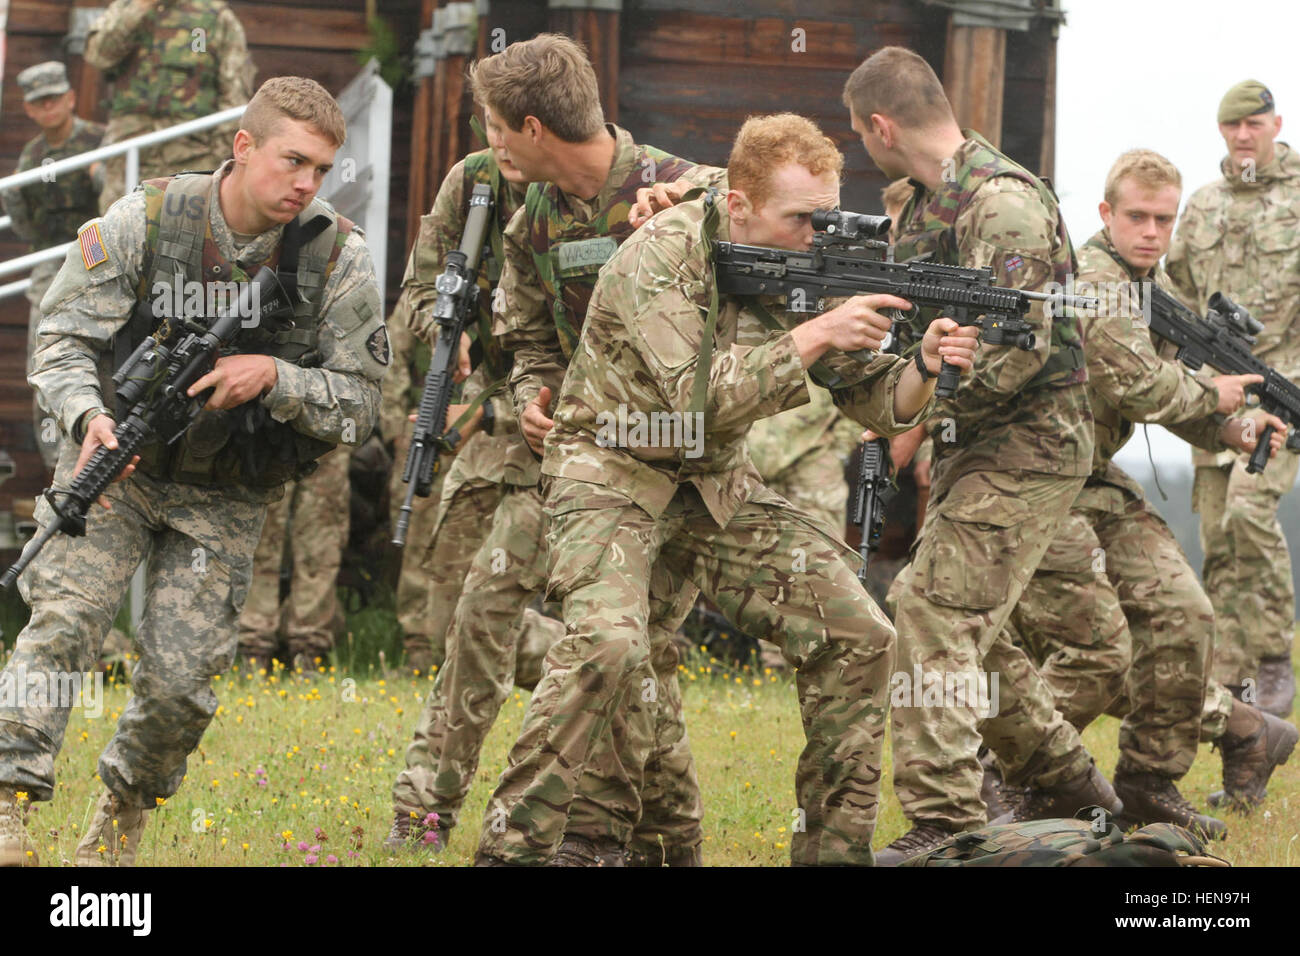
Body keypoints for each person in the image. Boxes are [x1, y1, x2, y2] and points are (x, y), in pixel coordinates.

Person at [475, 111, 981, 867]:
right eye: (801, 219)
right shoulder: (663, 253)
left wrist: (925, 368)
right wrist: (812, 336)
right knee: (610, 647)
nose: (818, 235)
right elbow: (694, 400)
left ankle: (832, 853)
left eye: (826, 216)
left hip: (711, 482)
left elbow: (873, 399)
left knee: (861, 638)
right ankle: (510, 850)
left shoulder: (796, 263)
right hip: (610, 469)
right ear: (739, 205)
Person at [0, 76, 387, 867]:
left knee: (180, 683)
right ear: (242, 148)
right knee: (62, 627)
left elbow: (361, 405)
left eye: (321, 168)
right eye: (292, 162)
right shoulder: (148, 218)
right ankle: (7, 808)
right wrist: (87, 416)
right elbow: (62, 336)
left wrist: (272, 378)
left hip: (227, 492)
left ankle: (117, 824)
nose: (307, 183)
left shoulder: (334, 254)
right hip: (120, 466)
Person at [841, 47, 1120, 865]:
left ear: (883, 126)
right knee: (981, 638)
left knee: (931, 609)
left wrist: (922, 407)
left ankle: (945, 823)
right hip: (978, 445)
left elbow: (1021, 346)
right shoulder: (931, 202)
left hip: (1030, 447)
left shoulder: (1000, 204)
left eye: (860, 133)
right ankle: (1077, 790)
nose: (863, 146)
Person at [999, 149, 1297, 835]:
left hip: (1095, 477)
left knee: (1185, 614)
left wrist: (1234, 428)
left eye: (1164, 219)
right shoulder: (1097, 282)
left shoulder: (1150, 287)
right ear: (1106, 215)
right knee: (1096, 647)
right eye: (1137, 216)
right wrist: (1216, 396)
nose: (1152, 232)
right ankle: (1009, 777)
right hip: (1038, 476)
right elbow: (1135, 384)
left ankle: (1148, 783)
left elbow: (1182, 403)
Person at [1167, 80, 1300, 719]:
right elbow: (1179, 294)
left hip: (1284, 394)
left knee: (1249, 513)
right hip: (1219, 398)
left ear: (1276, 123)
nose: (1244, 136)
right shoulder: (1202, 207)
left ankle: (1274, 658)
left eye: (1254, 123)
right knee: (1218, 540)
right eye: (1232, 126)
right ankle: (1241, 708)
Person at [1, 62, 105, 472]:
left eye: (53, 99)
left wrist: (100, 177)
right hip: (50, 265)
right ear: (28, 109)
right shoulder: (31, 157)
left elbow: (121, 194)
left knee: (97, 359)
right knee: (43, 365)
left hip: (97, 254)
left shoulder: (100, 141)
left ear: (70, 98)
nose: (47, 108)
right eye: (38, 103)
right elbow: (22, 217)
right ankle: (55, 466)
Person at [85, 0, 254, 213]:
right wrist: (139, 8)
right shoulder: (126, 7)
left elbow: (234, 94)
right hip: (128, 157)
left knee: (182, 237)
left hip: (190, 158)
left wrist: (215, 156)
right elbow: (98, 56)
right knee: (119, 234)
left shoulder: (216, 17)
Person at [237, 443, 352, 673]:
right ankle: (254, 650)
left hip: (328, 431)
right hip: (267, 432)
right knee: (259, 539)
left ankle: (309, 652)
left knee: (320, 545)